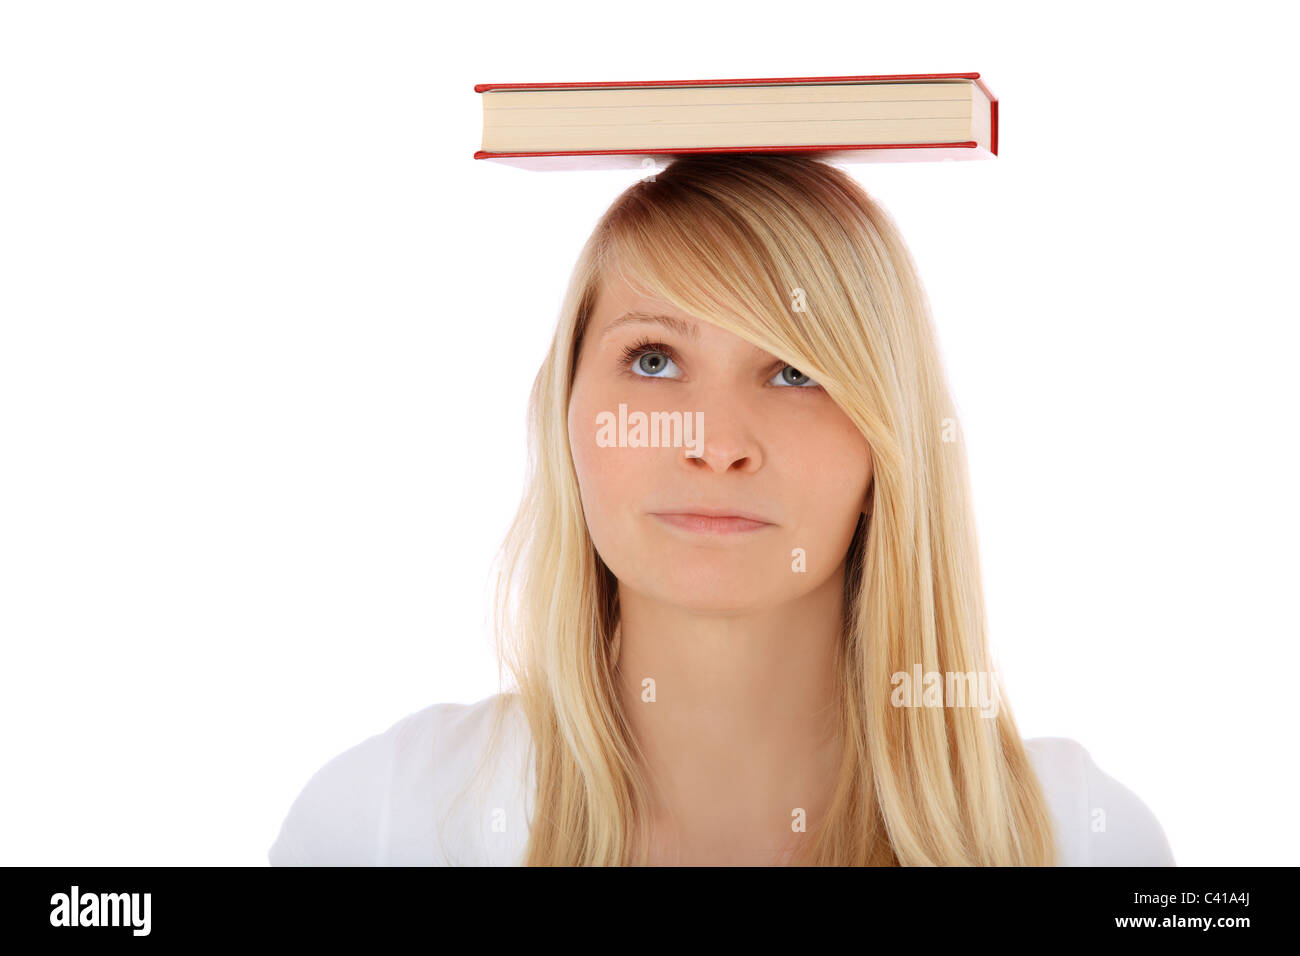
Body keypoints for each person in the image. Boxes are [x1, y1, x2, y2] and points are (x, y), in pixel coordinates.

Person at [269, 154, 1175, 866]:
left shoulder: (1076, 842)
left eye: (795, 371)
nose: (716, 442)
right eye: (655, 360)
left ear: (887, 442)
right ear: (566, 413)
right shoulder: (384, 822)